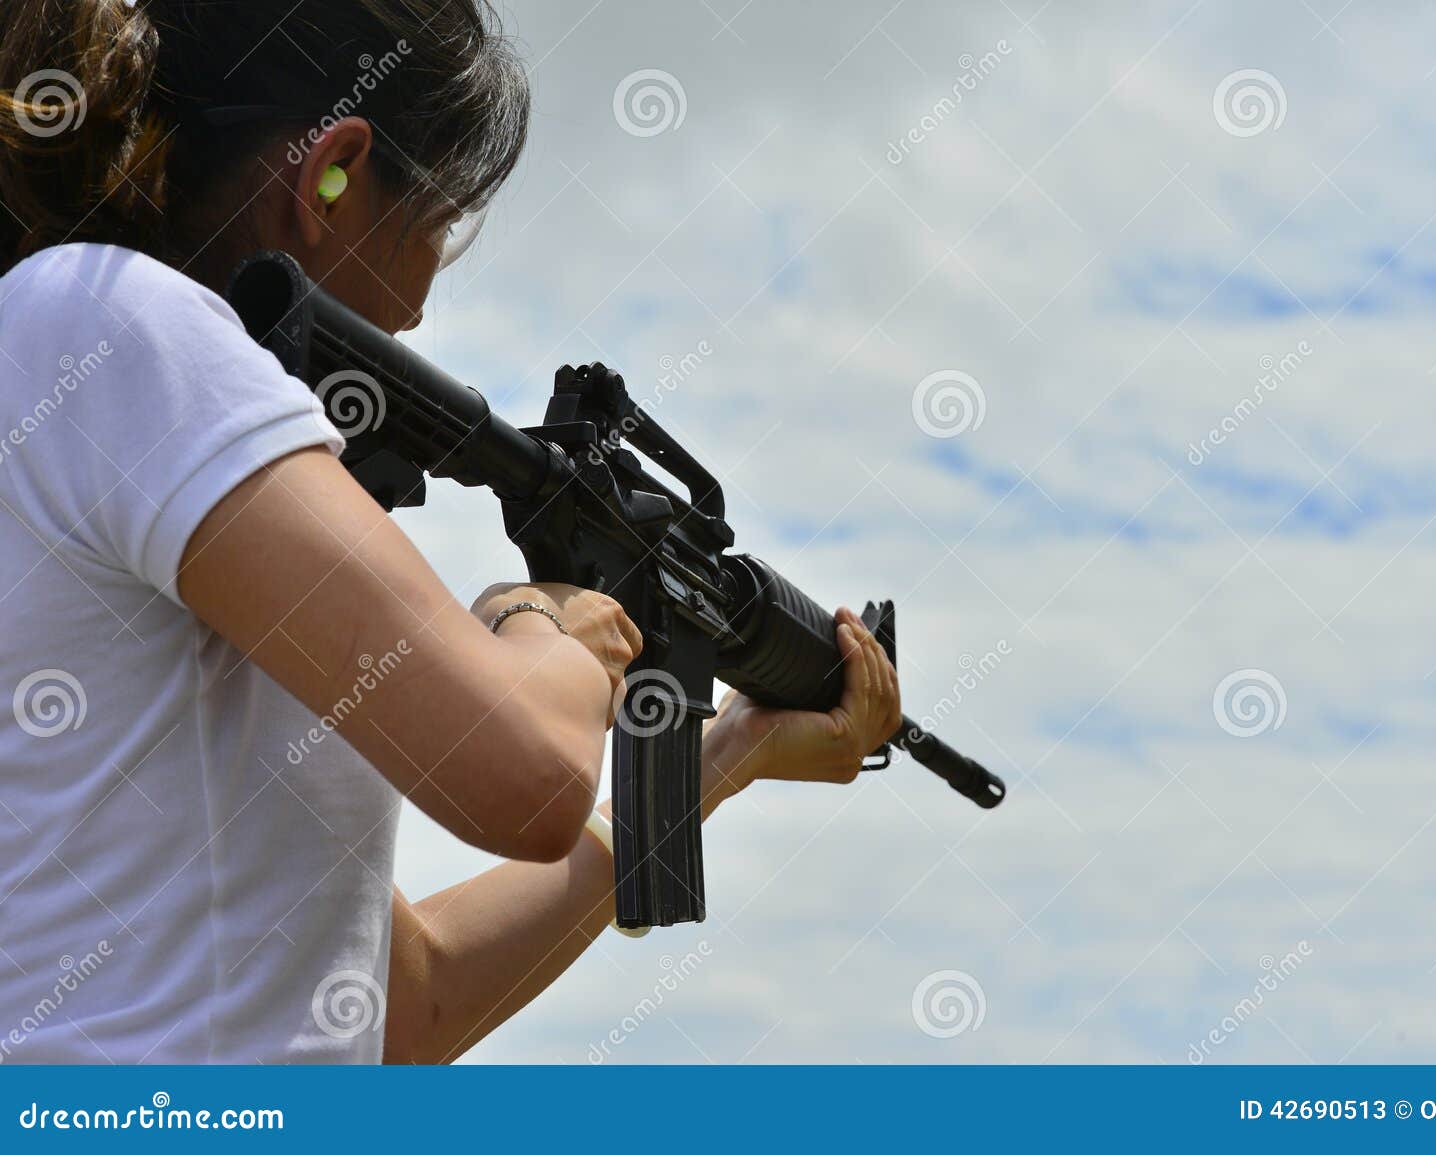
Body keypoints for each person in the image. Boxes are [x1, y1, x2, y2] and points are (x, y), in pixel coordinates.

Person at [0, 0, 901, 1063]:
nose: (417, 316)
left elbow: (402, 1006)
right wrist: (542, 623)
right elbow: (519, 776)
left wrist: (725, 757)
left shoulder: (84, 361)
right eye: (441, 222)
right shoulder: (108, 320)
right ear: (332, 172)